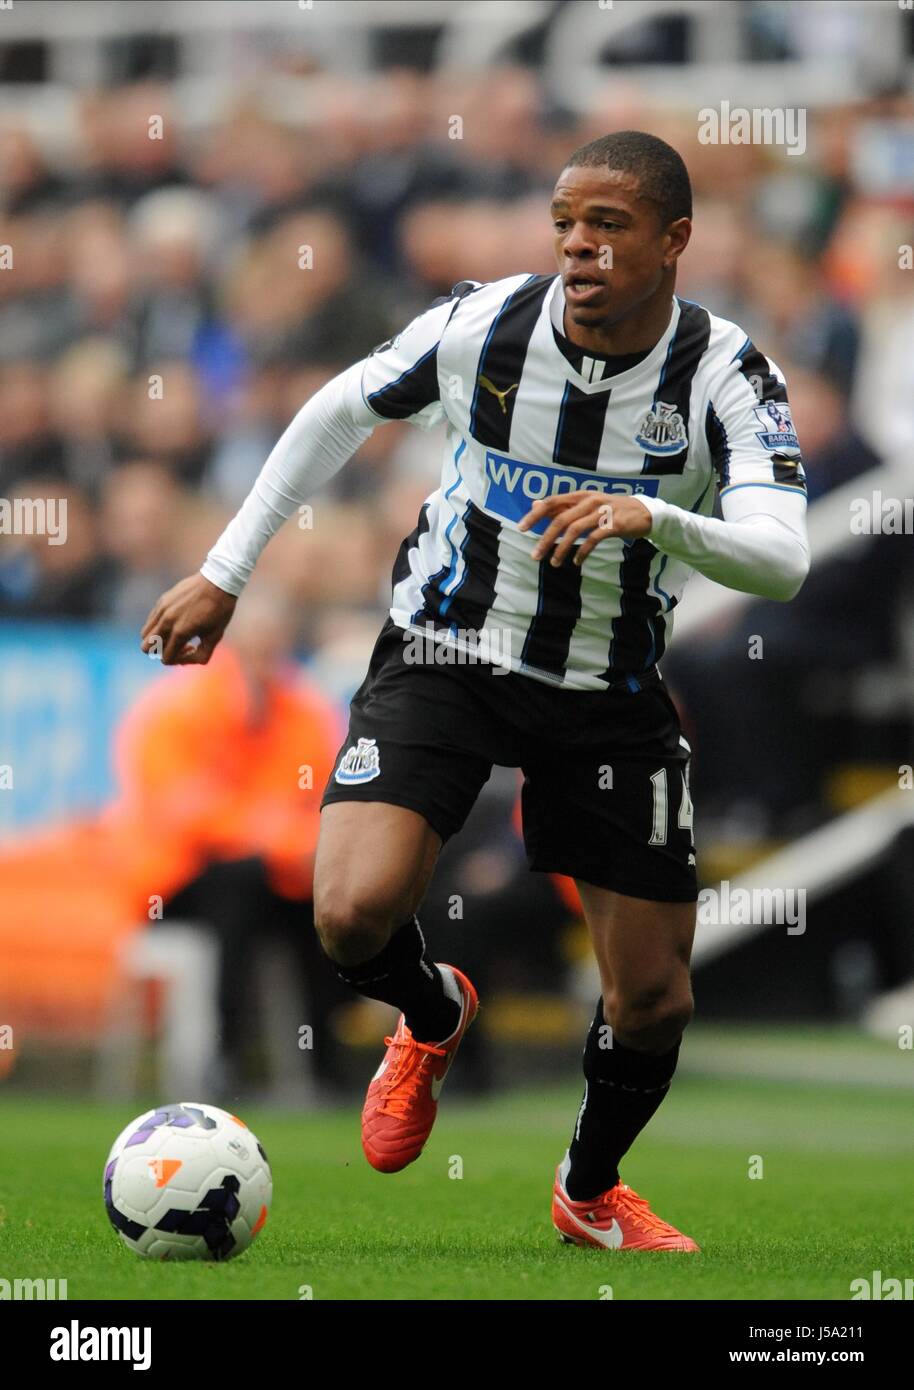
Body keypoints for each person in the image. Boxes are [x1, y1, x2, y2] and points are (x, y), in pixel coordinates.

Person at [141, 131, 810, 1252]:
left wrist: (656, 515)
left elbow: (781, 558)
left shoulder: (726, 375)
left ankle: (586, 1188)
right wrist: (224, 571)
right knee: (350, 911)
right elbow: (337, 410)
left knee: (651, 999)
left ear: (673, 240)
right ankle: (433, 1009)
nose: (578, 248)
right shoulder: (483, 326)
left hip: (607, 685)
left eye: (607, 227)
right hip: (447, 648)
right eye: (563, 224)